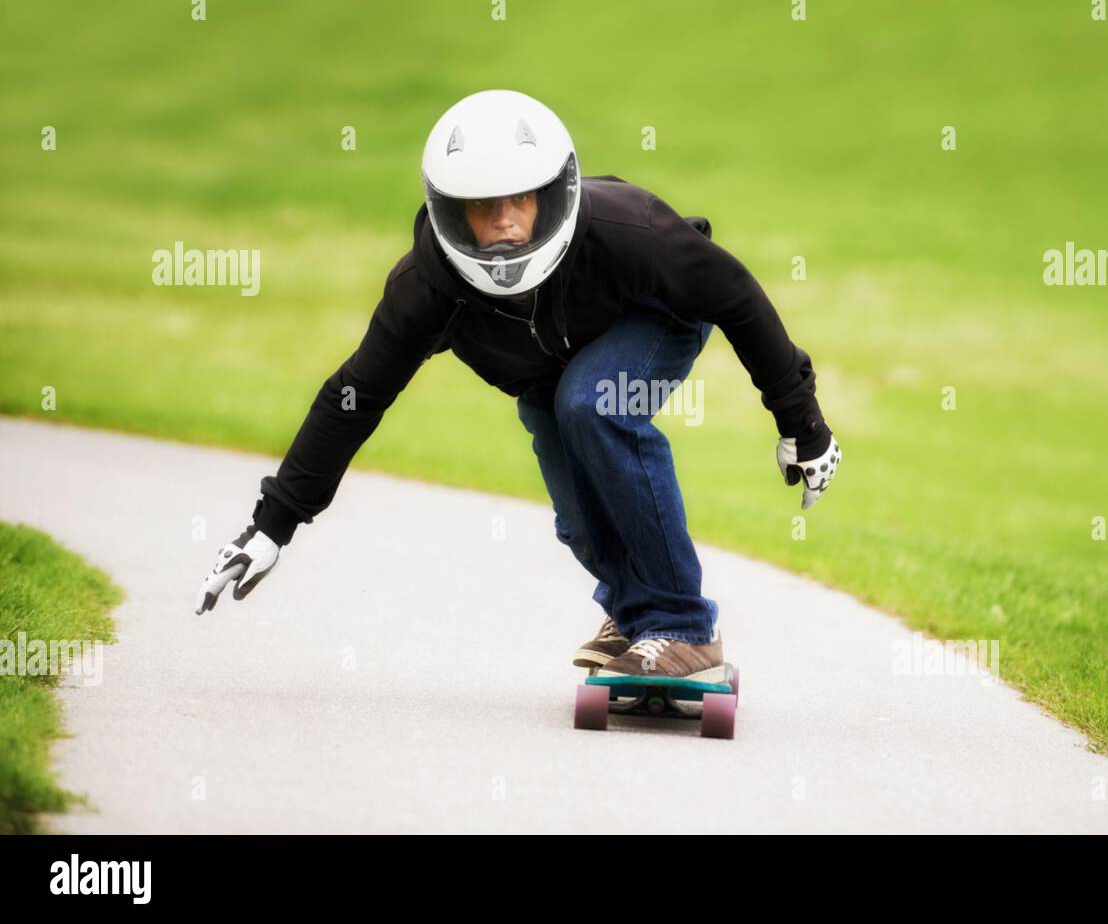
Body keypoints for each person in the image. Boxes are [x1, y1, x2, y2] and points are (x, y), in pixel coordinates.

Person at [194, 89, 841, 686]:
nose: (504, 223)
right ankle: (636, 611)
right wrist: (271, 525)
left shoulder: (623, 230)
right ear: (452, 212)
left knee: (591, 403)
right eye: (482, 206)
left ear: (551, 195)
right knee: (575, 515)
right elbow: (354, 395)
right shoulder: (428, 289)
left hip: (654, 319)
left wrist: (802, 424)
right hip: (546, 371)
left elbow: (735, 294)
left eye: (521, 201)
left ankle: (682, 626)